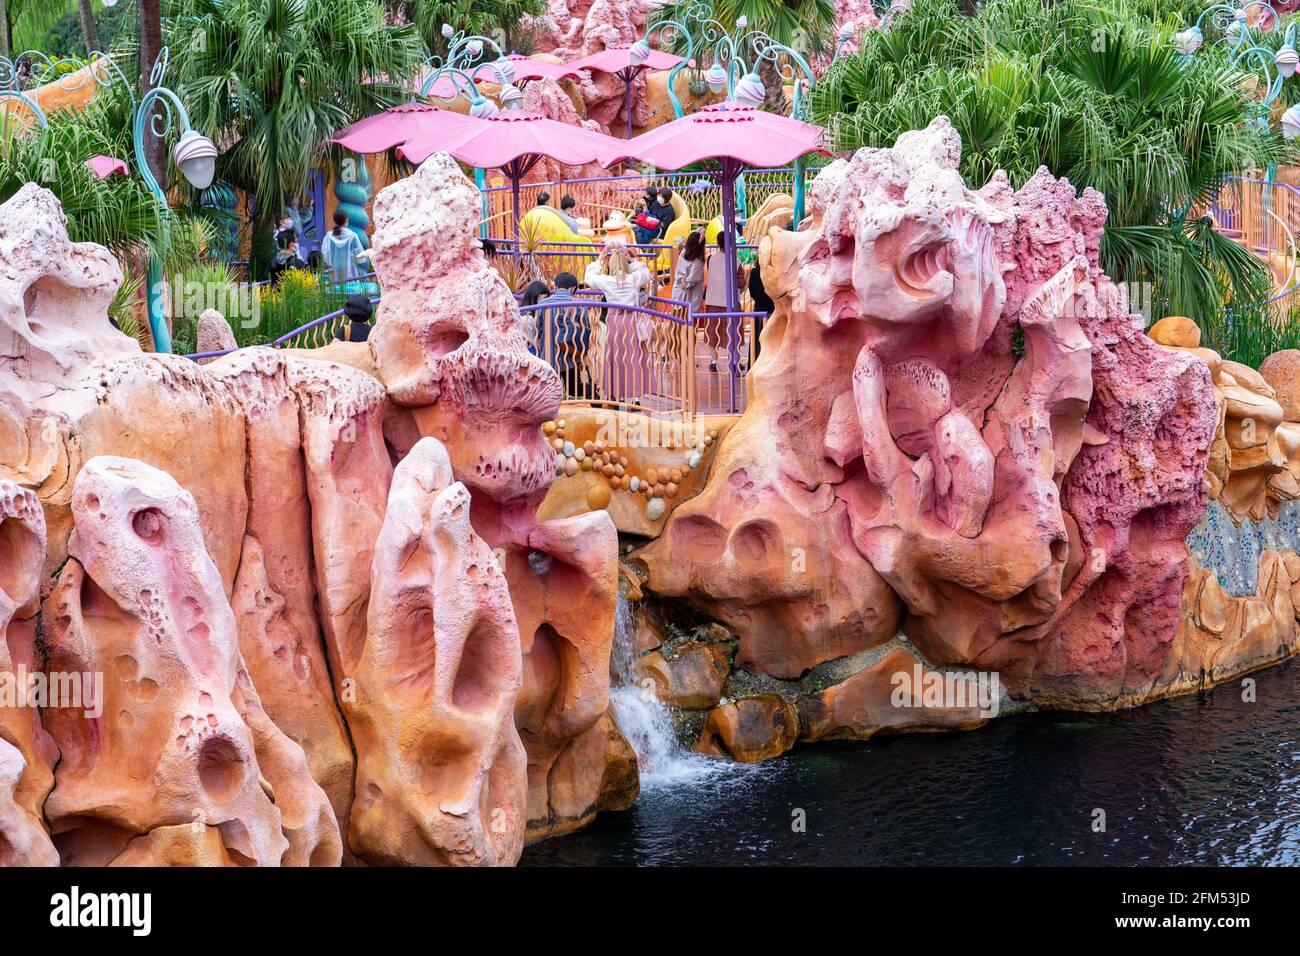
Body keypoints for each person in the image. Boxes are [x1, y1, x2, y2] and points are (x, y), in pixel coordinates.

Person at [585, 243, 653, 402]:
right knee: (633, 357)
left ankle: (620, 395)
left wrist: (599, 260)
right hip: (631, 320)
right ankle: (636, 397)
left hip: (614, 321)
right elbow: (645, 271)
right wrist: (631, 259)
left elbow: (589, 278)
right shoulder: (634, 278)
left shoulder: (606, 281)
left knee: (616, 358)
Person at [537, 272, 589, 397]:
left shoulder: (543, 304)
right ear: (572, 288)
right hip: (570, 355)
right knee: (574, 390)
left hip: (548, 355)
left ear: (556, 285)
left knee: (547, 392)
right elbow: (585, 330)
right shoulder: (579, 305)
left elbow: (538, 330)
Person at [320, 210, 367, 283]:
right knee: (350, 289)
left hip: (334, 269)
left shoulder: (328, 236)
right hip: (349, 268)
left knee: (336, 289)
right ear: (346, 220)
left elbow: (324, 254)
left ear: (334, 221)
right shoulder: (352, 235)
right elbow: (359, 254)